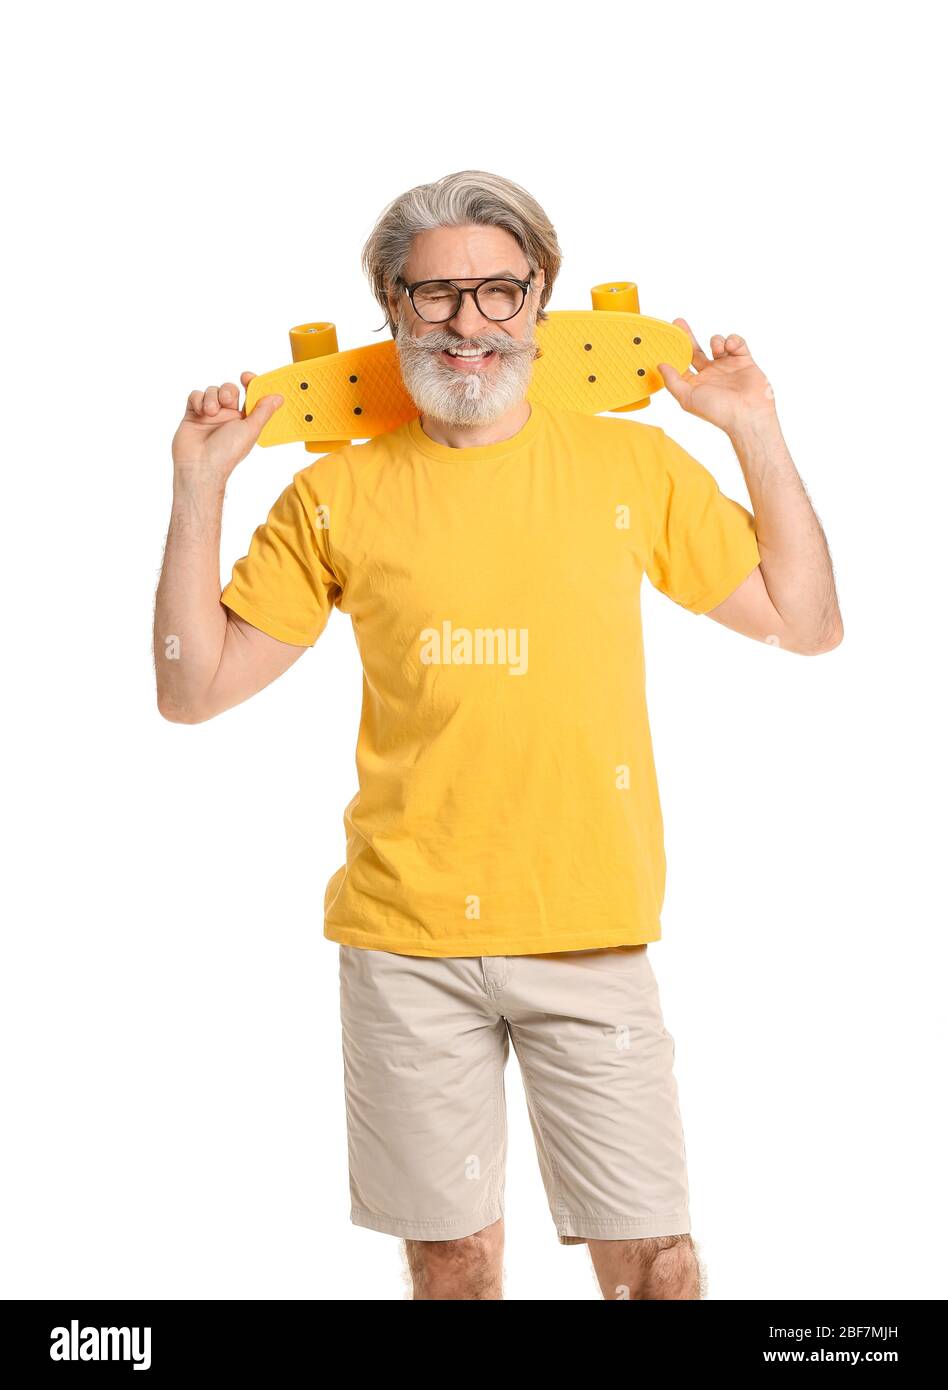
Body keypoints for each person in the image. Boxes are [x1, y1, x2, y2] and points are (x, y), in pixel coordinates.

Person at [153, 169, 843, 1301]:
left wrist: (752, 426)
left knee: (657, 1267)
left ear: (541, 302)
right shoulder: (334, 495)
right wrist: (196, 490)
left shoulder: (631, 466)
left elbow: (809, 621)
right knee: (457, 1268)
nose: (468, 324)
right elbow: (195, 688)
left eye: (498, 292)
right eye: (434, 298)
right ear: (392, 310)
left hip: (592, 926)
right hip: (406, 939)